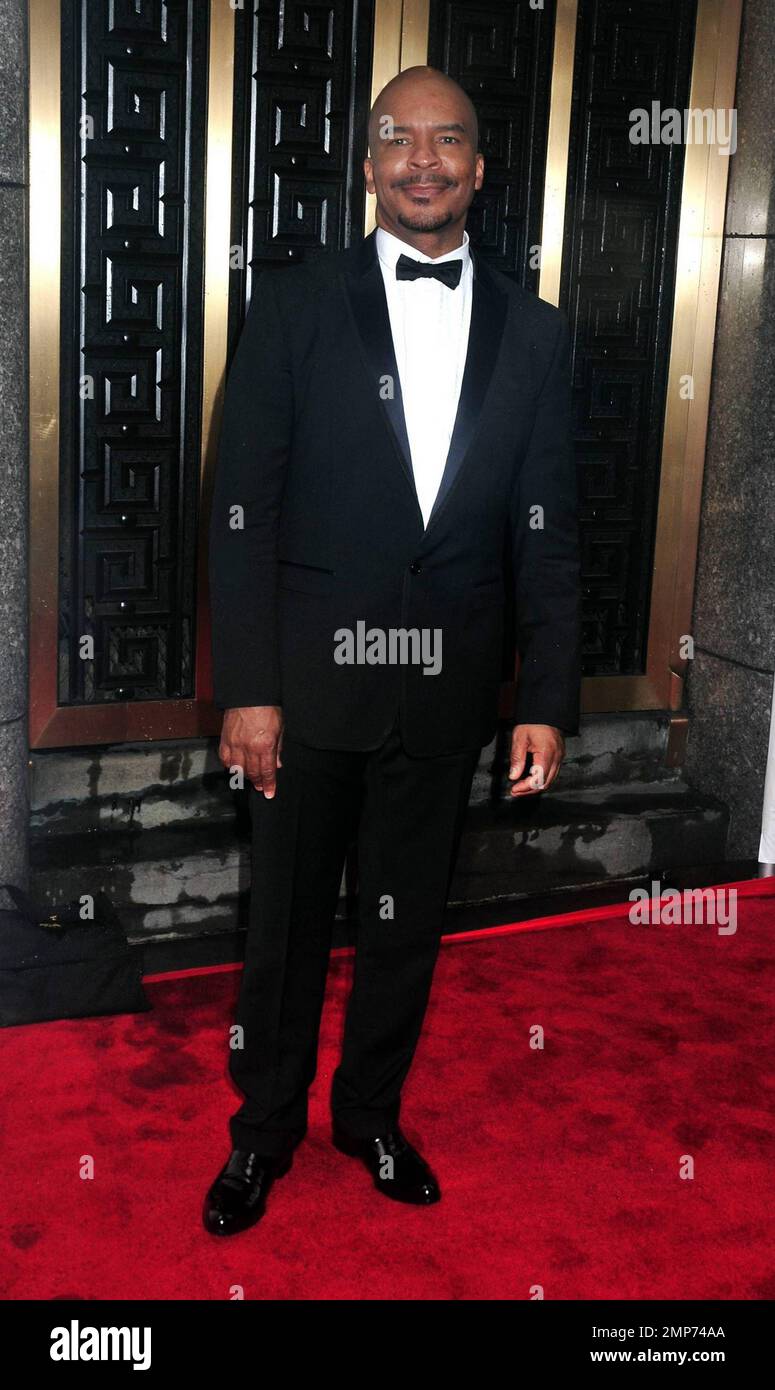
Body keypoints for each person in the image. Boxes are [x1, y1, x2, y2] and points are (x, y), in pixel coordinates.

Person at [203, 66, 582, 1235]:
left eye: (449, 140)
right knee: (282, 932)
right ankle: (262, 1133)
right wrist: (249, 691)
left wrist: (545, 696)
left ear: (478, 168)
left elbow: (549, 528)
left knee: (403, 921)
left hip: (447, 688)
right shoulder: (297, 304)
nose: (424, 160)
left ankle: (369, 1114)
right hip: (305, 690)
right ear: (367, 166)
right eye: (398, 141)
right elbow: (240, 509)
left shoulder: (535, 334)